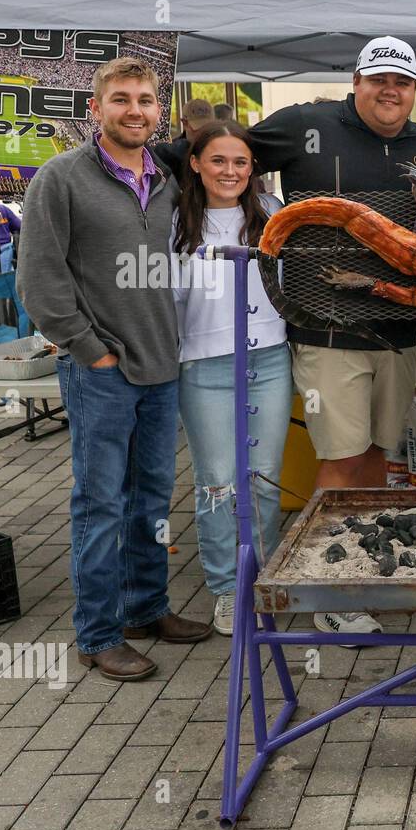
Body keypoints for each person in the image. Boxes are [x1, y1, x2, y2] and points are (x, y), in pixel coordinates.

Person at [18, 57, 213, 681]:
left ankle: (147, 608)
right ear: (96, 109)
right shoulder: (60, 178)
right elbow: (39, 279)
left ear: (161, 111)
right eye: (121, 98)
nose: (136, 110)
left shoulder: (168, 182)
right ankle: (98, 632)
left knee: (152, 498)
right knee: (99, 503)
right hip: (100, 369)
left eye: (147, 100)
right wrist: (88, 348)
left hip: (162, 365)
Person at [248, 35, 416, 640]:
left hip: (396, 331)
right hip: (325, 330)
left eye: (402, 83)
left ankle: (362, 568)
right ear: (356, 80)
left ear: (414, 91)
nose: (390, 91)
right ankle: (325, 588)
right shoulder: (305, 124)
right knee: (338, 460)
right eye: (378, 79)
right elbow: (218, 157)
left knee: (380, 459)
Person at [171, 120, 290, 636]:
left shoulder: (272, 214)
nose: (230, 171)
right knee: (218, 482)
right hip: (204, 365)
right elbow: (166, 299)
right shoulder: (173, 221)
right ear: (196, 163)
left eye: (240, 162)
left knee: (262, 480)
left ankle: (262, 580)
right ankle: (226, 589)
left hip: (269, 359)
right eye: (218, 160)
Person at [153, 97, 214, 177]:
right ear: (184, 123)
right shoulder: (169, 155)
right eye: (199, 128)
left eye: (208, 127)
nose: (204, 133)